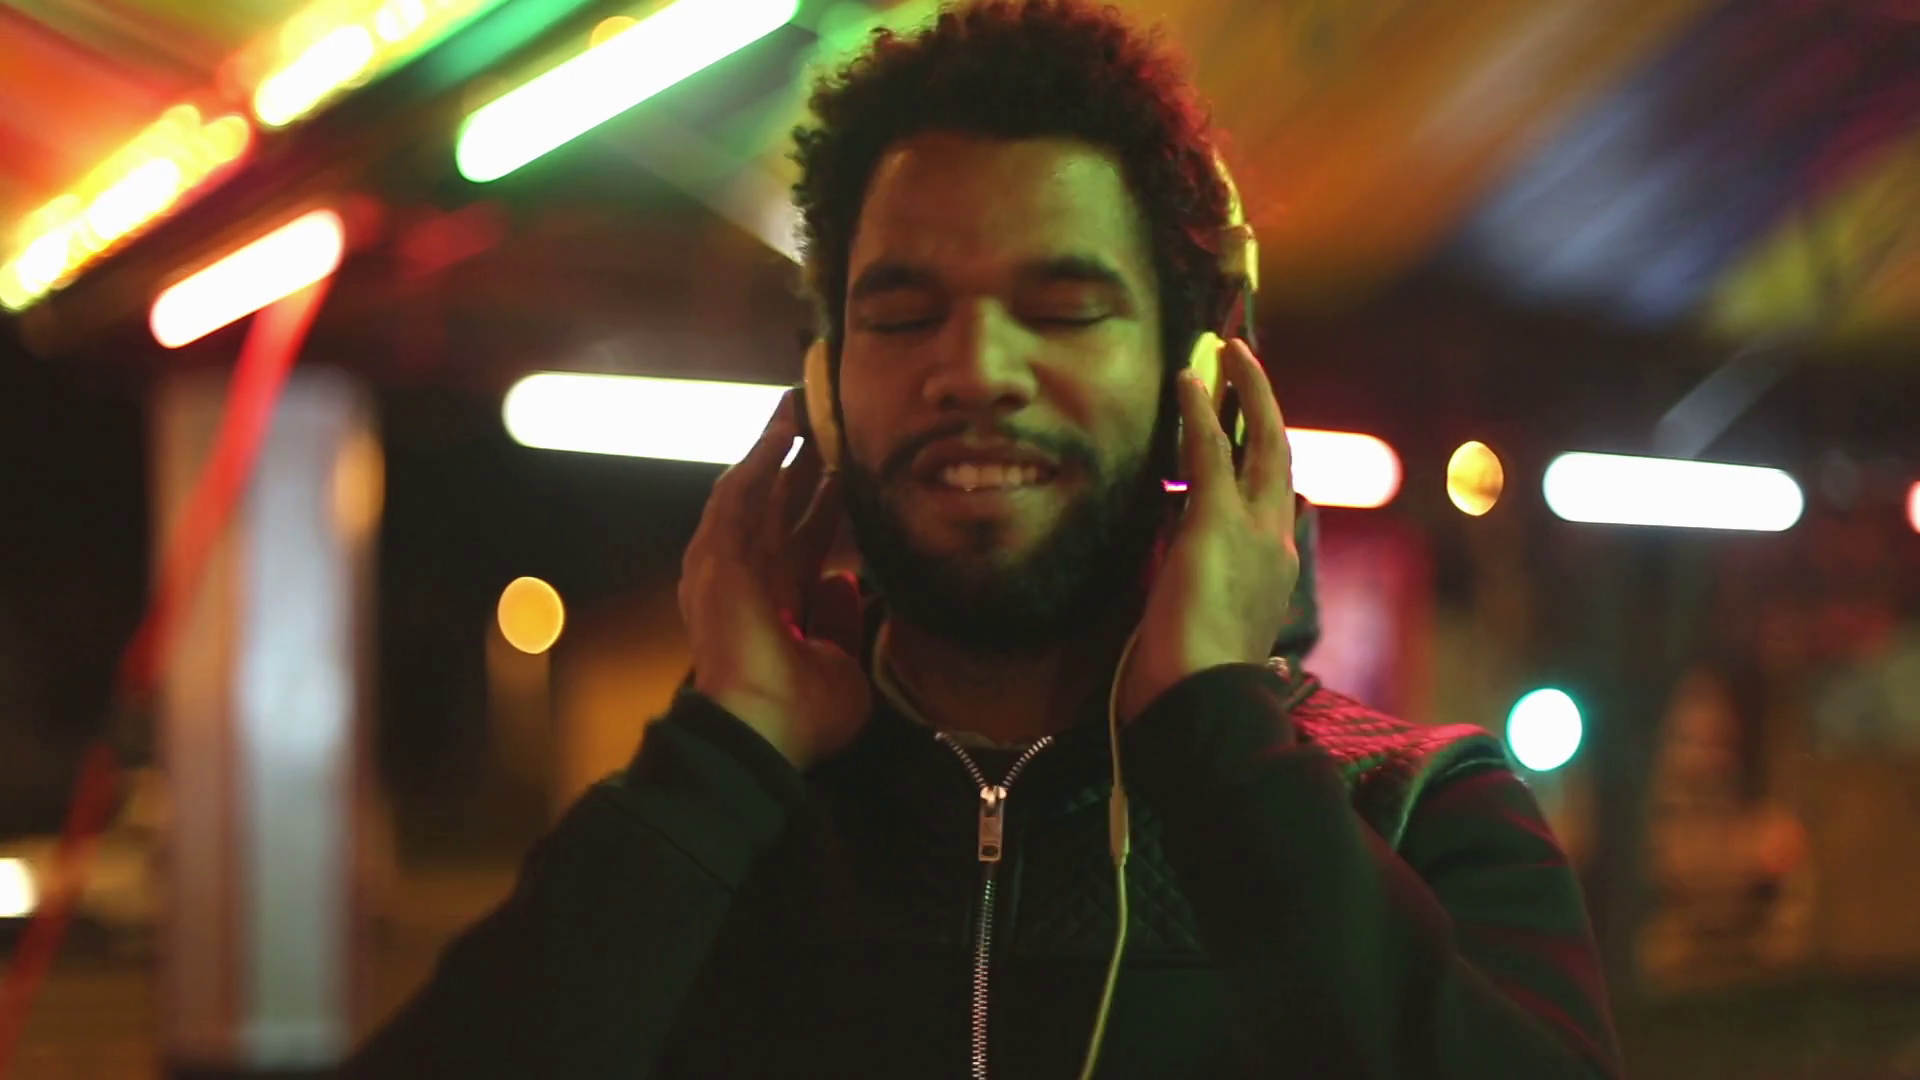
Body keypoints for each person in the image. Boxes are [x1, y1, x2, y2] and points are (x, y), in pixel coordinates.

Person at [347, 2, 1624, 1076]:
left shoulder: (1415, 815)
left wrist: (1220, 741)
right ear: (827, 384)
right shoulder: (719, 834)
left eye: (1064, 310)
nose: (975, 369)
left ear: (1203, 380)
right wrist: (723, 752)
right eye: (903, 316)